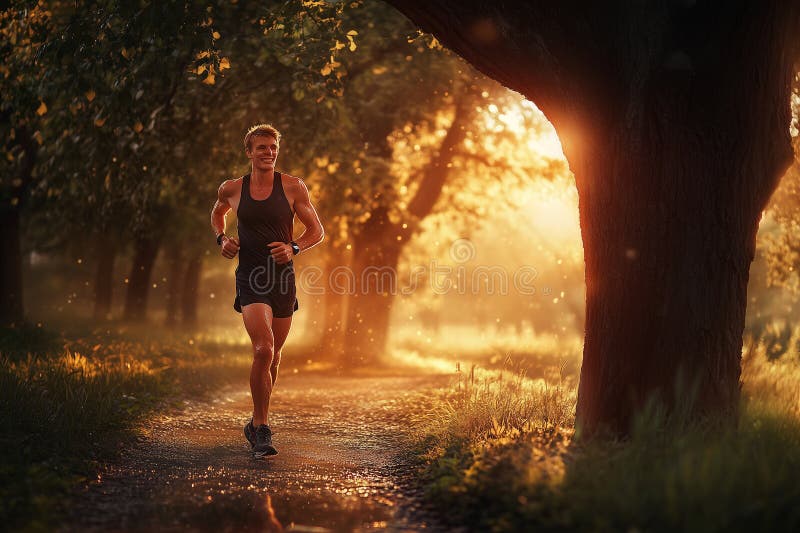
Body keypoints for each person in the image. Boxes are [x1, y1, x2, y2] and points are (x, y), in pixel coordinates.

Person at [210, 124, 324, 458]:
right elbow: (218, 214)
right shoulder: (232, 188)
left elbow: (317, 230)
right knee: (263, 349)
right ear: (249, 151)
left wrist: (295, 247)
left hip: (283, 279)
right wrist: (222, 239)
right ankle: (262, 429)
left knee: (273, 355)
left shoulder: (292, 187)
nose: (268, 152)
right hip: (251, 277)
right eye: (261, 147)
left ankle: (256, 420)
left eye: (273, 147)